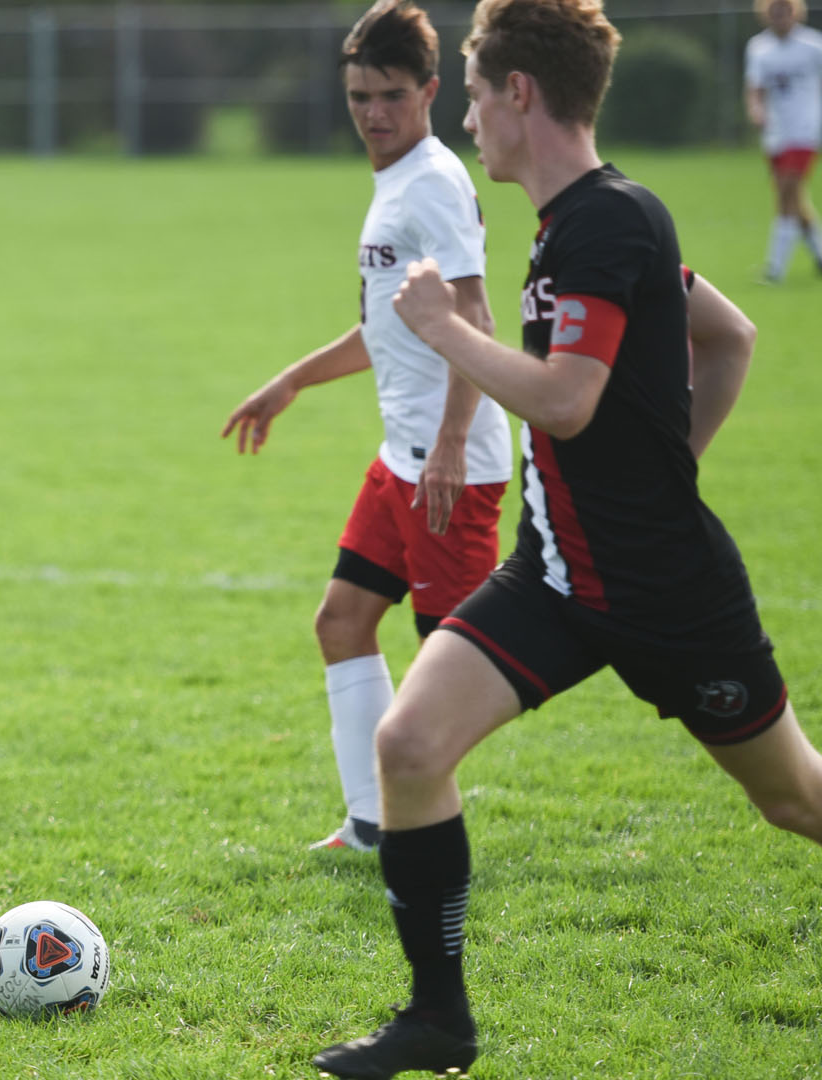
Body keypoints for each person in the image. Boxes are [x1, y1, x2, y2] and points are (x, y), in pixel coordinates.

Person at [313, 1, 821, 1076]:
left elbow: (569, 400)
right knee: (409, 747)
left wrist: (446, 326)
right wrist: (672, 459)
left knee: (793, 800)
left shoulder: (606, 222)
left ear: (520, 95)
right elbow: (729, 336)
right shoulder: (584, 222)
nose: (470, 117)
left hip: (668, 591)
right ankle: (438, 1022)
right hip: (556, 575)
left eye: (478, 93)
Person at [222, 0, 509, 854]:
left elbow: (476, 320)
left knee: (451, 673)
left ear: (428, 91)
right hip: (403, 459)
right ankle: (372, 822)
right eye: (358, 97)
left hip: (450, 468)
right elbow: (387, 326)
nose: (372, 114)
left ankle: (424, 832)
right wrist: (292, 382)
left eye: (389, 95)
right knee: (341, 621)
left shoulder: (434, 183)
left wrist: (453, 444)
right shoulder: (396, 182)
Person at [746, 0, 822, 282]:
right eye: (774, 12)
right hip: (776, 134)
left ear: (795, 13)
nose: (780, 17)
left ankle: (775, 269)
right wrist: (756, 110)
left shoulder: (813, 45)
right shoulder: (758, 47)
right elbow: (754, 87)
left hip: (806, 131)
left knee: (787, 192)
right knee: (793, 197)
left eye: (785, 11)